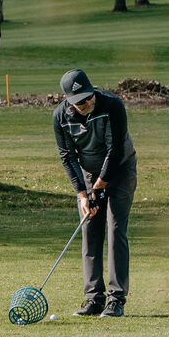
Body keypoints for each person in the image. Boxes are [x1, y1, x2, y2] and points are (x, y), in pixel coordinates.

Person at [51, 66, 136, 318]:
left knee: (115, 228)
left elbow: (116, 150)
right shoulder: (60, 117)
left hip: (120, 169)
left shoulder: (113, 105)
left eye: (88, 97)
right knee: (89, 229)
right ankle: (93, 298)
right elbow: (67, 157)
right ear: (67, 99)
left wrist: (99, 188)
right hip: (88, 174)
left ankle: (116, 299)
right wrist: (82, 193)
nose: (86, 103)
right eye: (79, 101)